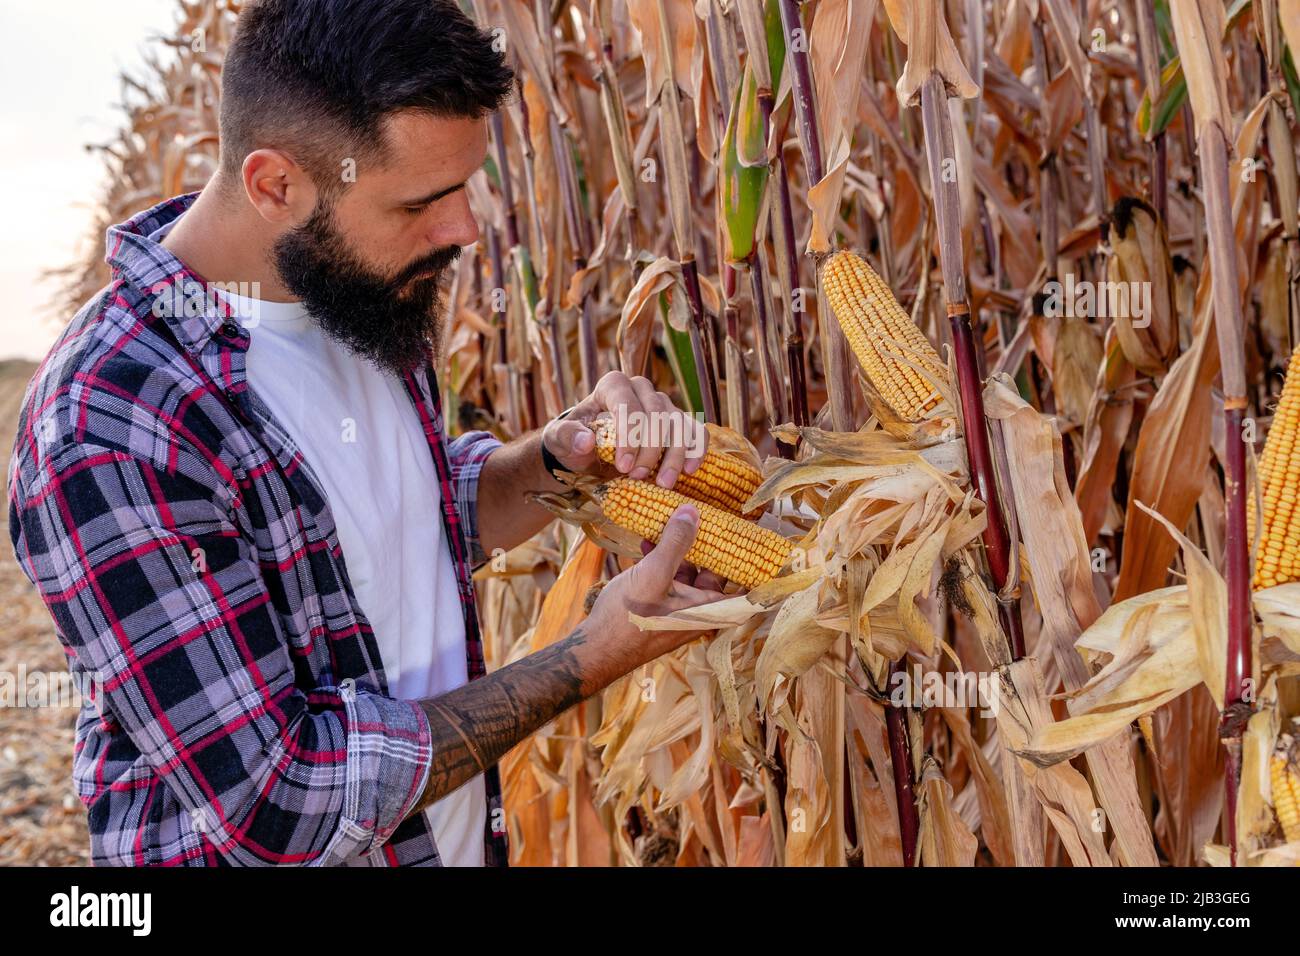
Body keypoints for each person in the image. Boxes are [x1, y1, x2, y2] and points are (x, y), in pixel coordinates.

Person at [6, 0, 727, 867]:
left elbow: (398, 522)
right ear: (275, 185)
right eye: (426, 200)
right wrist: (587, 657)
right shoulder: (113, 421)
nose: (465, 229)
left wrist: (562, 458)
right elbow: (279, 799)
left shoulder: (362, 295)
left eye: (466, 188)